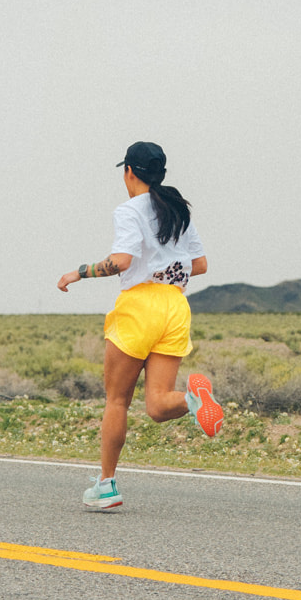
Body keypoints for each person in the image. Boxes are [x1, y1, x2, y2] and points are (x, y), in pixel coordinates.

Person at [57, 142, 224, 509]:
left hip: (140, 306)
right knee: (158, 405)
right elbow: (199, 264)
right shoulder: (178, 209)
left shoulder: (129, 210)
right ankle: (194, 399)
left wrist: (79, 272)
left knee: (117, 400)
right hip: (175, 307)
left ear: (129, 172)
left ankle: (106, 486)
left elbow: (120, 260)